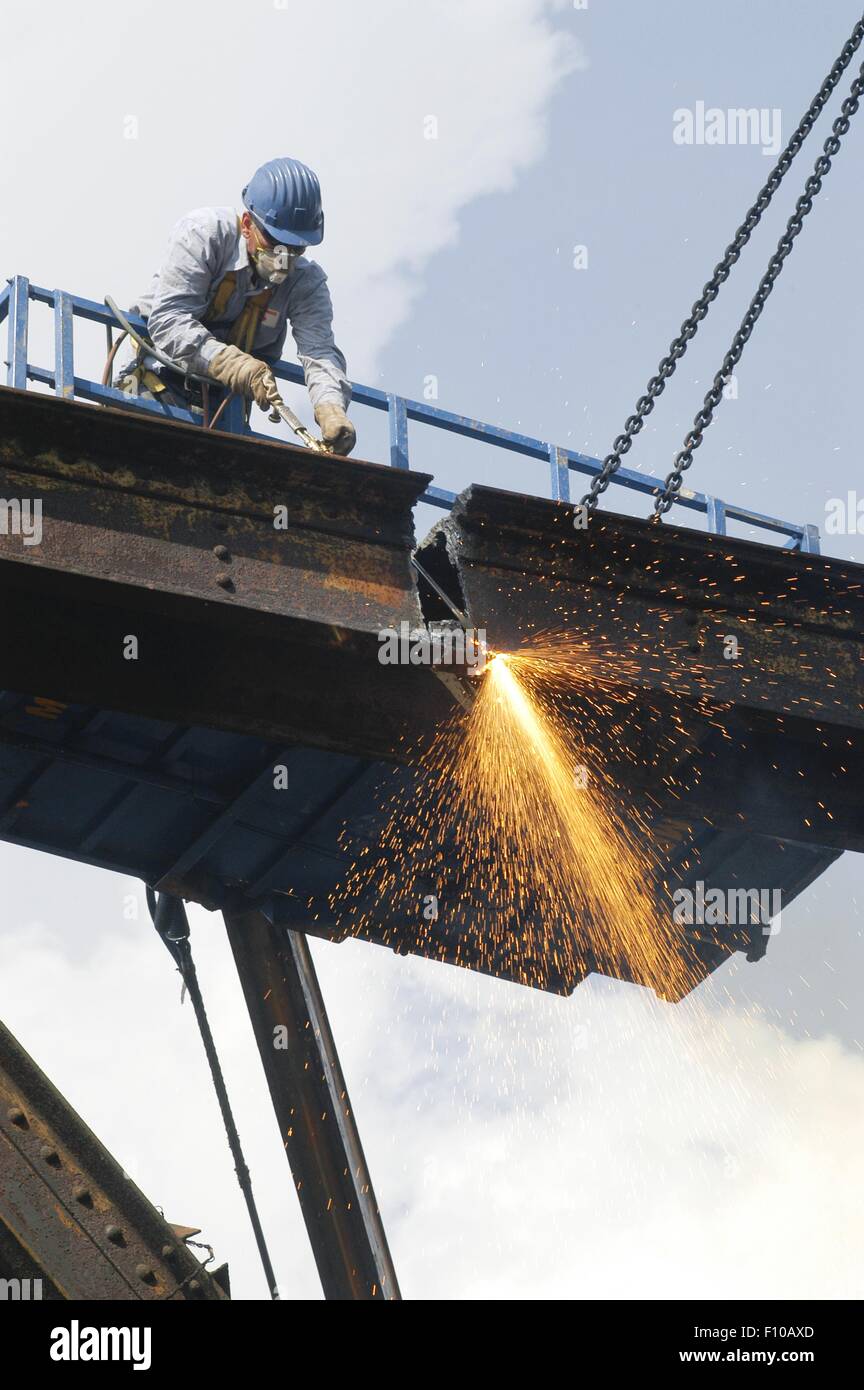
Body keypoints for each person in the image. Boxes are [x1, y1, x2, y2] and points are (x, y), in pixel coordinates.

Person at [115, 156, 356, 455]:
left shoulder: (306, 283)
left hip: (223, 409)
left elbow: (319, 352)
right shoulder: (204, 235)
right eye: (277, 244)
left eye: (296, 249)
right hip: (155, 385)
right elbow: (169, 321)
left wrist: (330, 406)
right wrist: (234, 364)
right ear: (246, 225)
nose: (285, 258)